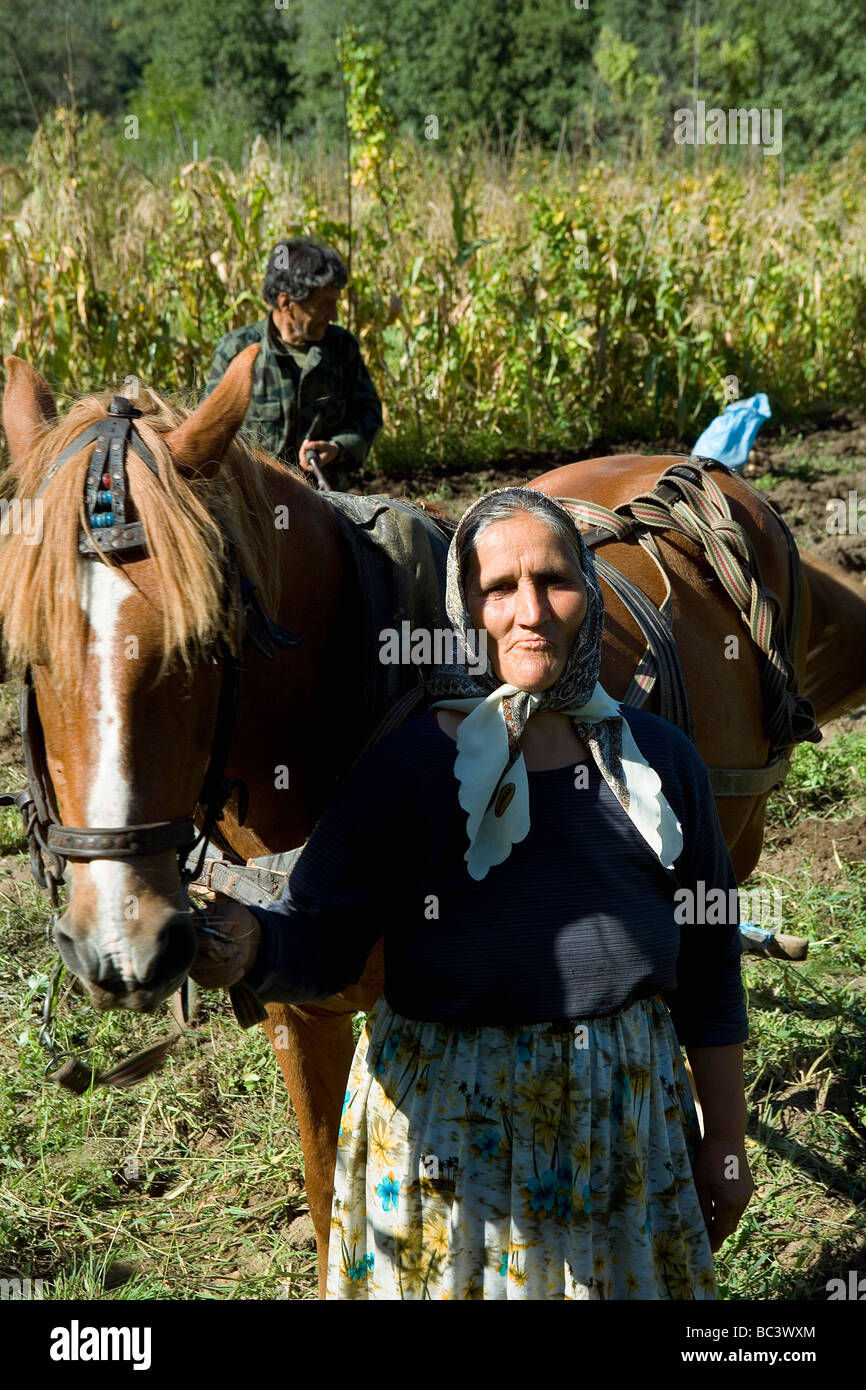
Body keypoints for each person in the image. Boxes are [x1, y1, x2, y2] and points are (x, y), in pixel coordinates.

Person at [191, 485, 753, 1301]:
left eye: (555, 579)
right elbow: (324, 937)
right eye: (499, 589)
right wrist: (253, 942)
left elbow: (708, 963)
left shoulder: (661, 764)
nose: (532, 611)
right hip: (451, 1140)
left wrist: (725, 1142)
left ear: (589, 595)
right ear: (467, 610)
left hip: (623, 1129)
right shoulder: (406, 771)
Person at [202, 238, 383, 488]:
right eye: (324, 305)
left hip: (327, 500)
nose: (334, 315)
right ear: (286, 303)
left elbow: (368, 412)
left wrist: (337, 447)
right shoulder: (237, 351)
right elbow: (211, 429)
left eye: (335, 303)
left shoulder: (342, 348)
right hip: (255, 501)